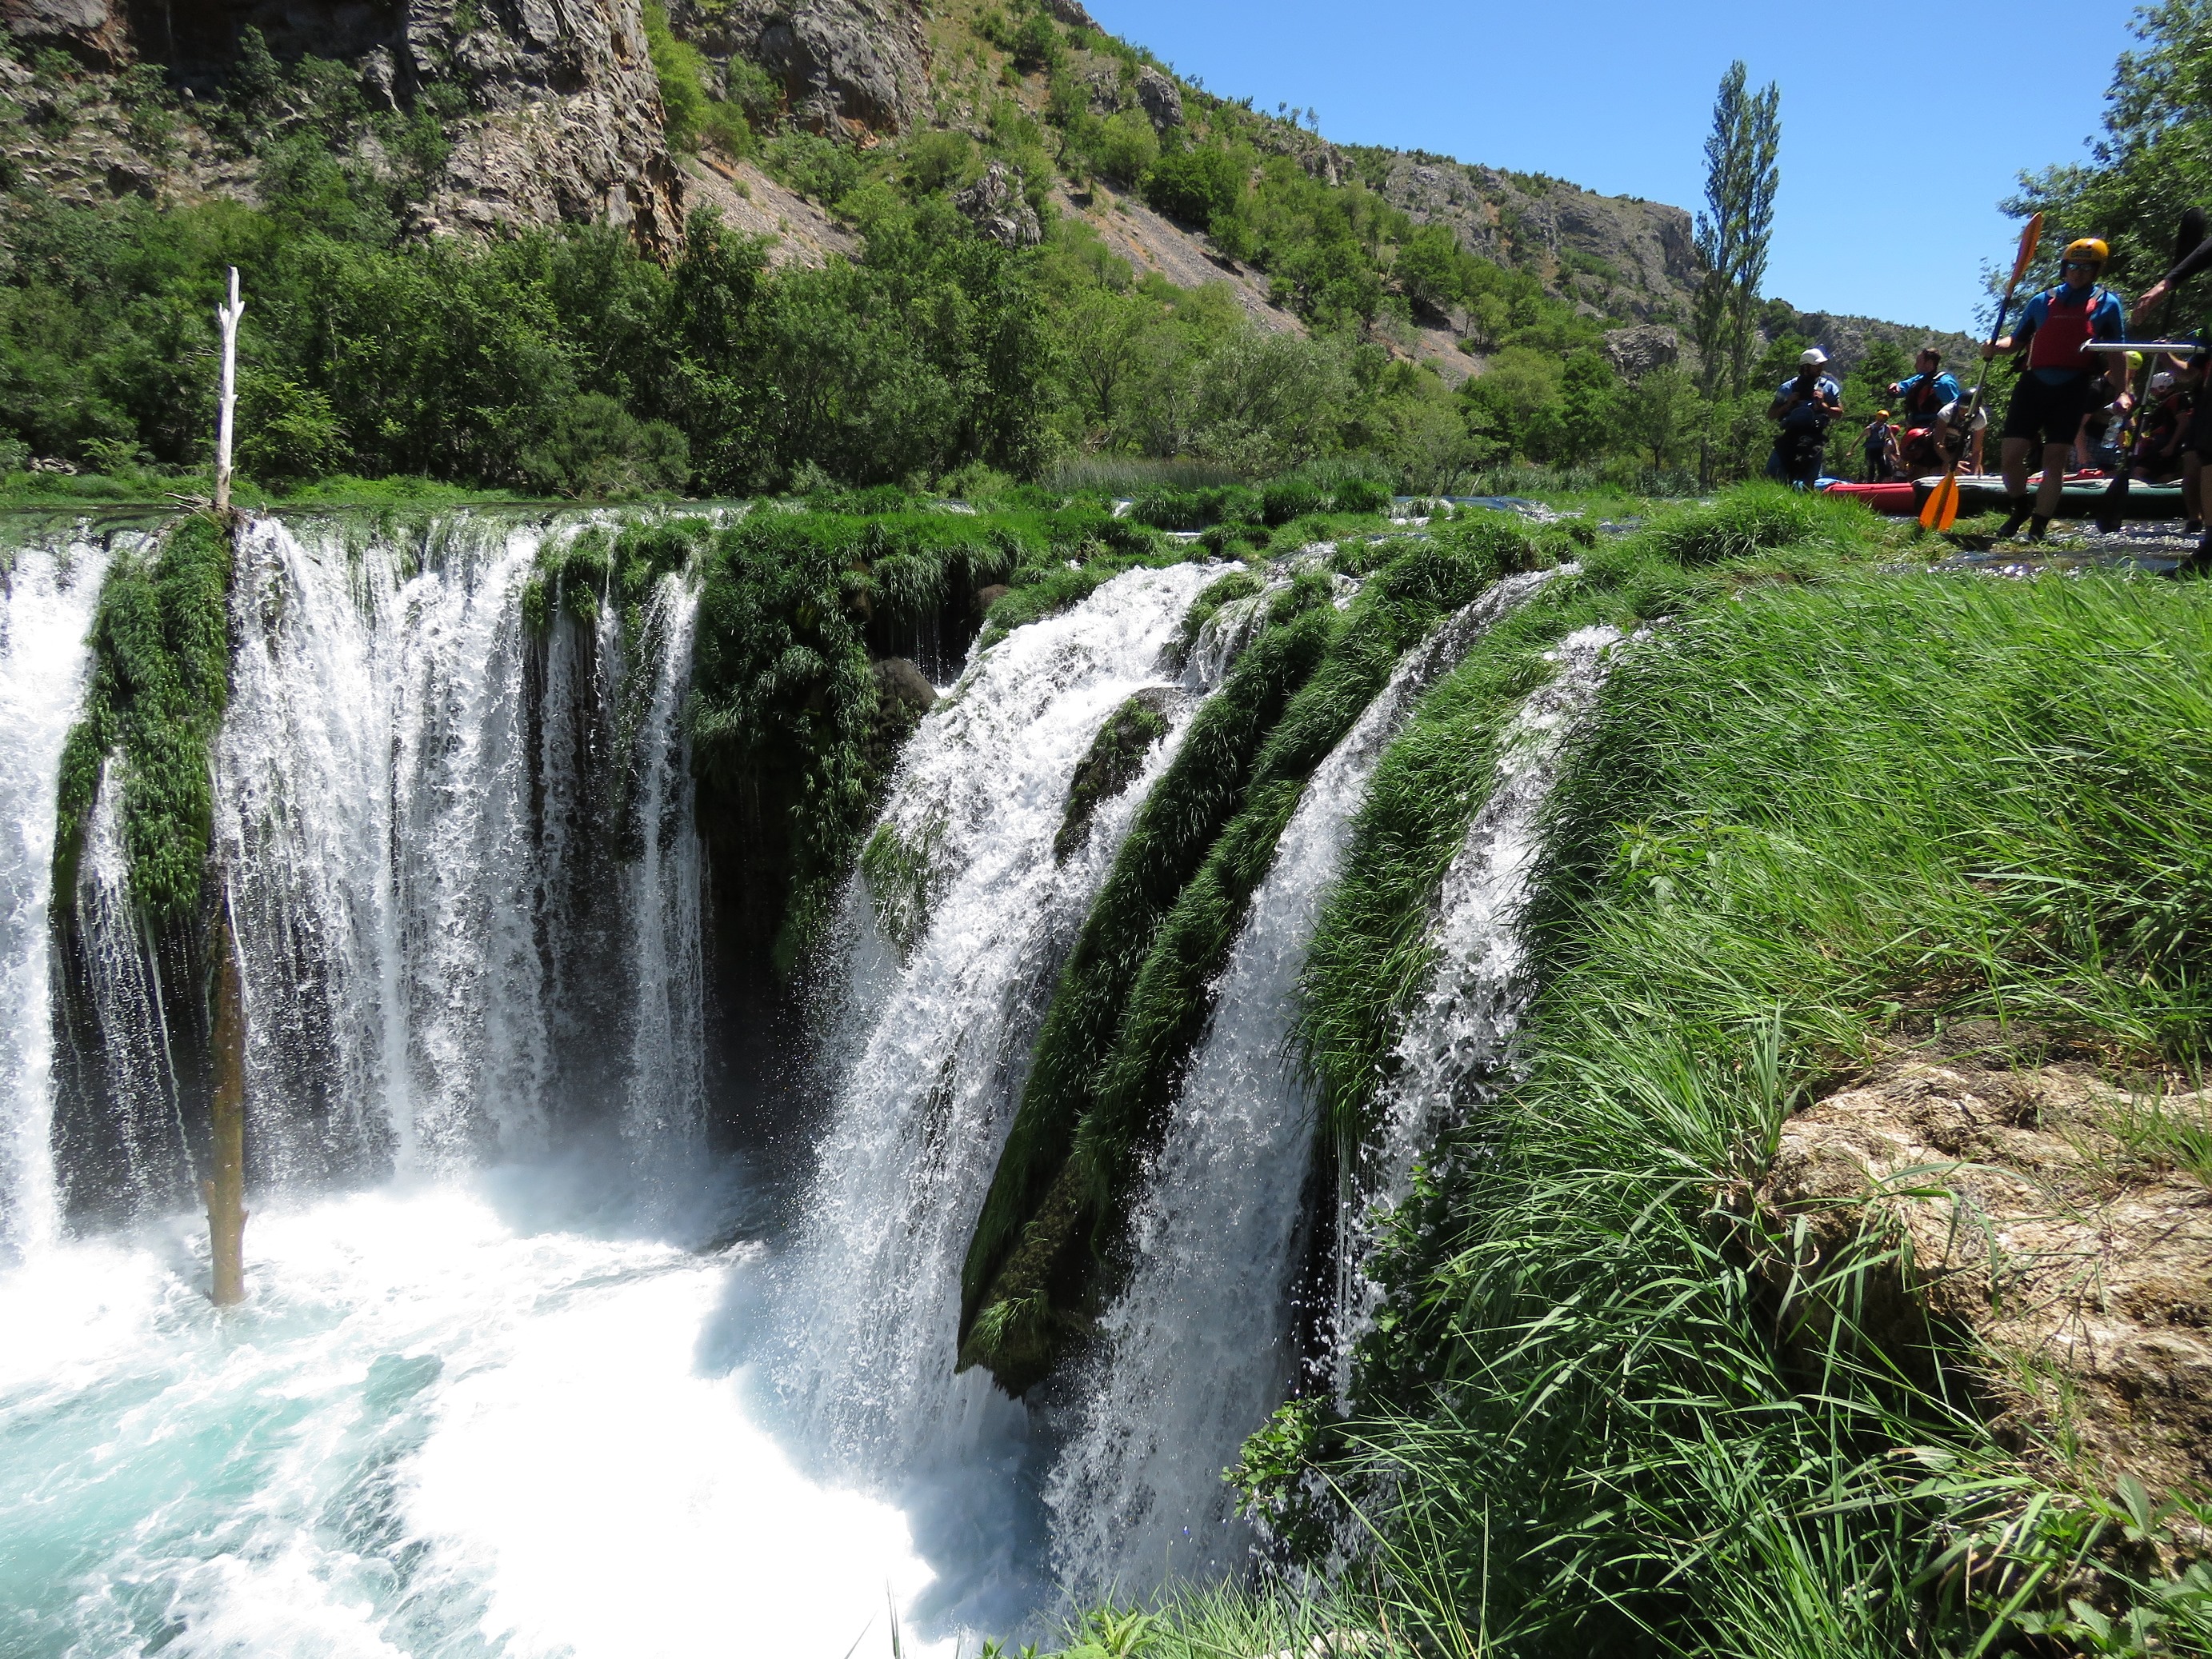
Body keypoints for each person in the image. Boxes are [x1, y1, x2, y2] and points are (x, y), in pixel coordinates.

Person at [1985, 238, 2126, 538]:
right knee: (2010, 456)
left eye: (2086, 268)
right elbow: (2016, 342)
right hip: (2033, 385)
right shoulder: (2041, 300)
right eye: (2073, 266)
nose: (2078, 272)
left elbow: (2117, 351)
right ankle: (2020, 507)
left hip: (2072, 388)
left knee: (2055, 460)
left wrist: (2123, 391)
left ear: (2096, 270)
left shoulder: (2107, 304)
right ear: (2064, 267)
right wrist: (1994, 346)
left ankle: (2038, 525)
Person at [1768, 347, 1843, 488]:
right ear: (1806, 367)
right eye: (1817, 365)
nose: (1821, 368)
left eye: (1821, 365)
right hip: (1789, 439)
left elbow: (1839, 414)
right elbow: (1771, 414)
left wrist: (1823, 406)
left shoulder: (1828, 388)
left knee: (1810, 482)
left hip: (1815, 440)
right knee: (1777, 477)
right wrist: (1787, 404)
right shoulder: (1787, 388)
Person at [1891, 347, 1962, 473]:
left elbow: (1956, 409)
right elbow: (1904, 386)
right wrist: (1896, 387)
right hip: (1916, 431)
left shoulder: (1944, 383)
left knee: (1933, 464)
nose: (1915, 364)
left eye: (1918, 361)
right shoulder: (1919, 379)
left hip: (1938, 430)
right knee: (1912, 461)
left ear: (1929, 364)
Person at [1861, 409, 1900, 482]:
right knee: (1871, 467)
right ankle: (1870, 483)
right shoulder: (1870, 428)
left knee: (1882, 468)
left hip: (1879, 451)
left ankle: (1878, 483)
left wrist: (1897, 451)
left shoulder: (1886, 429)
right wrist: (1851, 450)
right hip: (1871, 450)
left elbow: (1893, 440)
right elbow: (1859, 438)